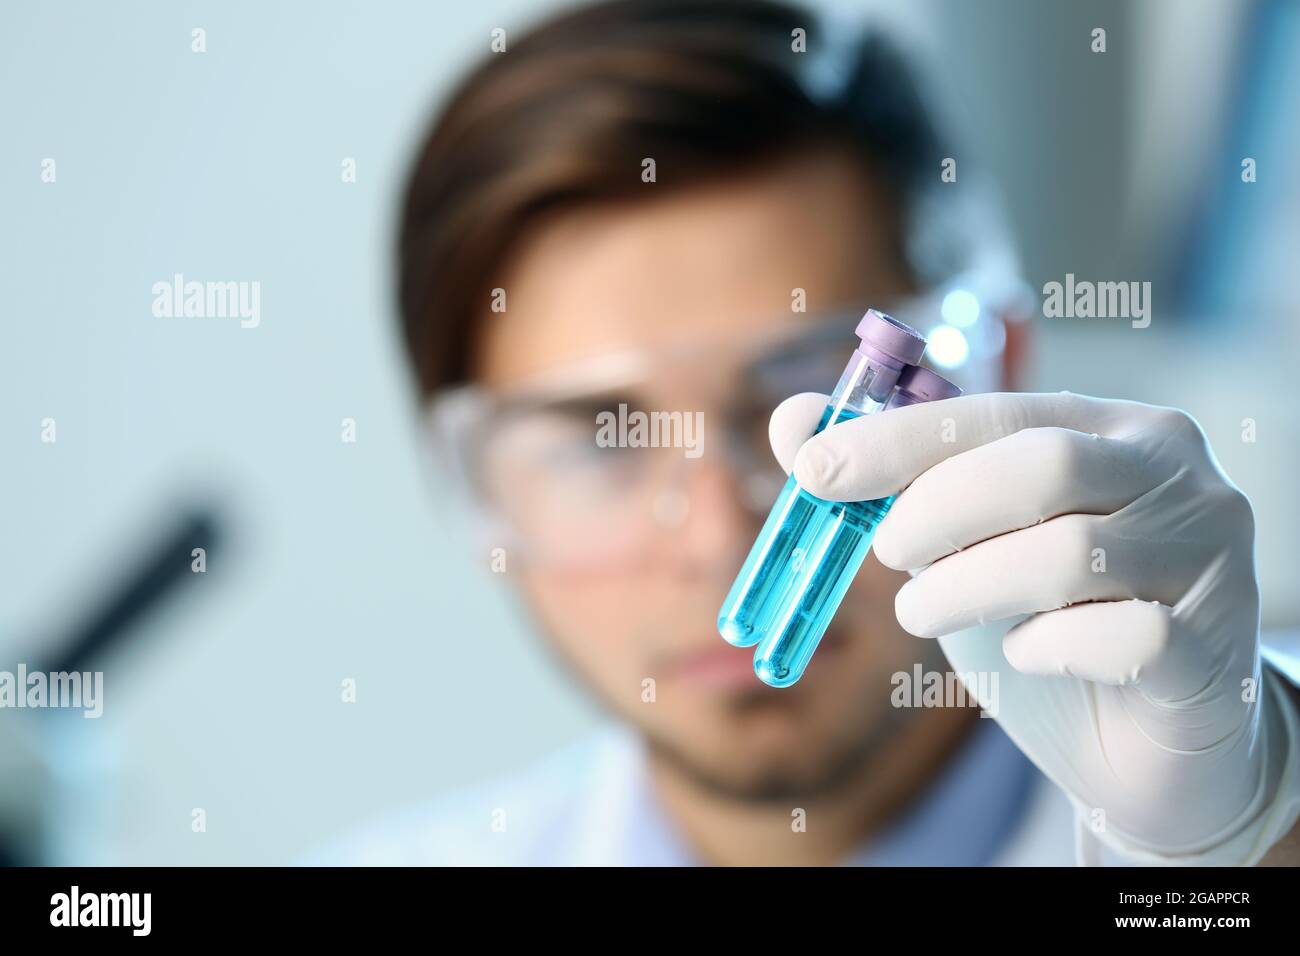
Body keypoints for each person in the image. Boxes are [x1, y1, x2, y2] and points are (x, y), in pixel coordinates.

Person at [324, 0, 1300, 866]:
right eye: (597, 436)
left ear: (995, 362)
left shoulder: (1230, 780)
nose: (716, 537)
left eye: (803, 388)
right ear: (475, 485)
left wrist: (1244, 844)